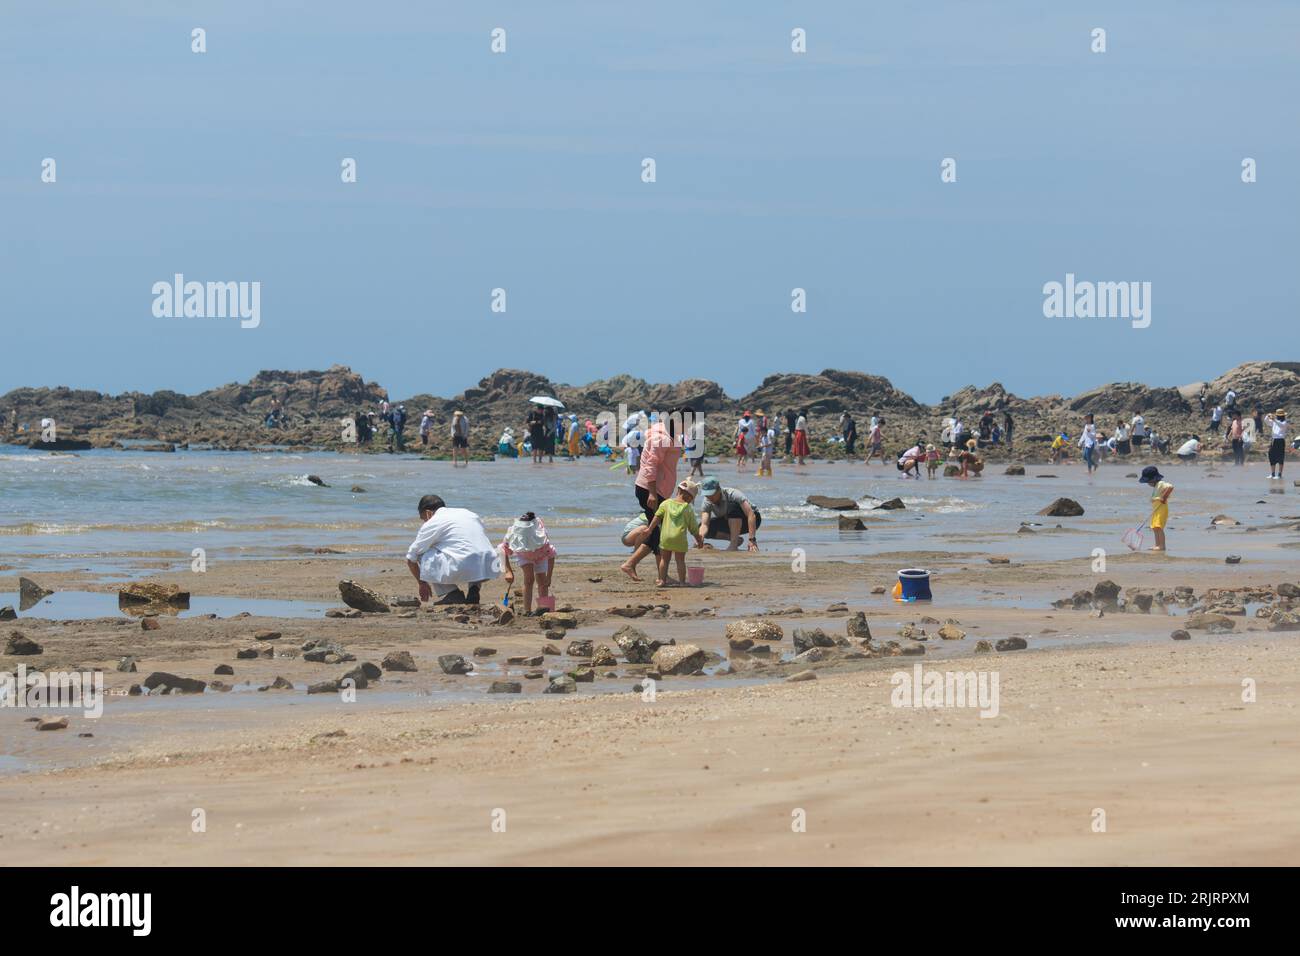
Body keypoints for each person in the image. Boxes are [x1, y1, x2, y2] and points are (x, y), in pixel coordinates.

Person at [621, 411, 683, 581]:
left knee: (658, 532)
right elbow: (651, 465)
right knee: (657, 533)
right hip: (651, 490)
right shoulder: (661, 438)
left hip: (658, 489)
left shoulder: (667, 434)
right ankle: (630, 564)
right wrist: (652, 493)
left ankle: (662, 575)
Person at [405, 494, 499, 605]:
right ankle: (474, 589)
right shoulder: (469, 514)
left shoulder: (434, 521)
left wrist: (422, 583)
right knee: (472, 549)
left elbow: (411, 558)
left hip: (464, 565)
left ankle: (452, 593)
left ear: (428, 513)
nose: (424, 522)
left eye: (423, 519)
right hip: (490, 565)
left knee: (421, 553)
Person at [646, 479, 704, 587]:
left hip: (666, 537)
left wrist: (649, 529)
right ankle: (682, 582)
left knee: (664, 560)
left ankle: (662, 580)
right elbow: (694, 528)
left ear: (678, 490)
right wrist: (699, 540)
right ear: (690, 498)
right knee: (680, 561)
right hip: (680, 538)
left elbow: (657, 517)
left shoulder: (666, 503)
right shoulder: (688, 509)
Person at [500, 512, 557, 615]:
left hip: (540, 555)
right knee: (529, 579)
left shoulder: (542, 540)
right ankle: (527, 611)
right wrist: (508, 571)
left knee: (543, 582)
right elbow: (502, 551)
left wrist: (549, 577)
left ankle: (543, 609)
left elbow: (551, 556)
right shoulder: (513, 535)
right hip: (523, 556)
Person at [699, 477, 761, 551]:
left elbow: (751, 514)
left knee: (732, 506)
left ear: (718, 490)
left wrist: (752, 540)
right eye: (707, 495)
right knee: (699, 527)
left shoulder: (733, 494)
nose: (710, 498)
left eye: (711, 494)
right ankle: (735, 539)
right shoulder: (707, 501)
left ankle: (733, 545)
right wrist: (700, 539)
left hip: (751, 520)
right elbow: (704, 525)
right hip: (728, 521)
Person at [1139, 466, 1173, 552]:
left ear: (1153, 479)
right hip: (1156, 510)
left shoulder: (1160, 483)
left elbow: (1170, 487)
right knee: (1154, 527)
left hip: (1161, 509)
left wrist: (1164, 497)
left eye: (1148, 481)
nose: (1147, 484)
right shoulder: (1156, 486)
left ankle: (1162, 546)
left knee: (1159, 527)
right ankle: (1157, 545)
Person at [1265, 409, 1289, 479]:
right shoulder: (1274, 421)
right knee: (1271, 455)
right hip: (1274, 440)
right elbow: (1266, 422)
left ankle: (1279, 474)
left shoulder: (1285, 422)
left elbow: (1281, 425)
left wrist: (1274, 419)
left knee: (1280, 456)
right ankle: (1272, 474)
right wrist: (1267, 415)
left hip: (1280, 440)